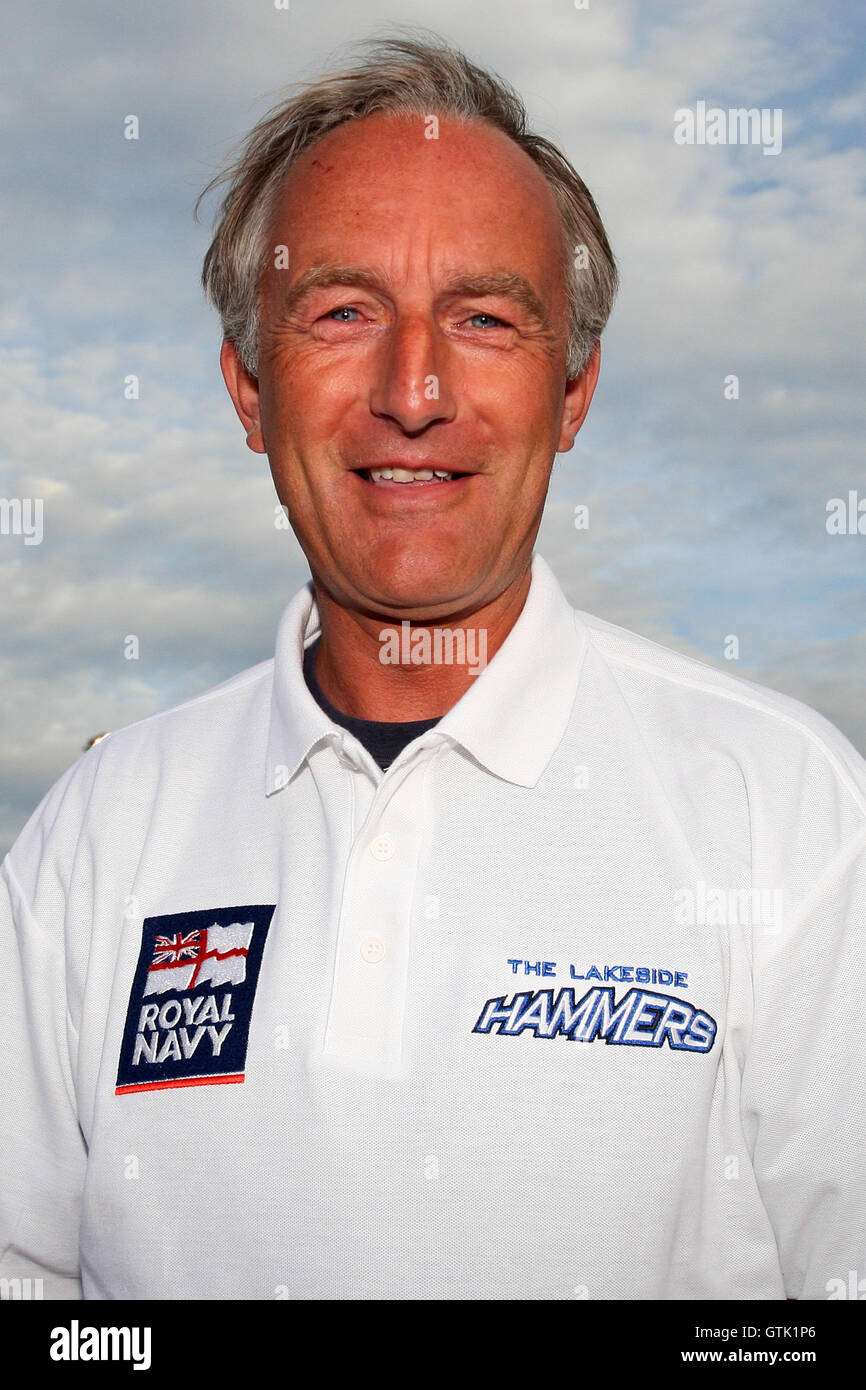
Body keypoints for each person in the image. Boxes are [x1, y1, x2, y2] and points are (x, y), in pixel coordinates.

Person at [1, 30, 864, 1302]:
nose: (414, 390)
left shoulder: (782, 808)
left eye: (485, 317)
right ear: (249, 387)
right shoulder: (95, 833)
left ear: (572, 394)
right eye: (343, 312)